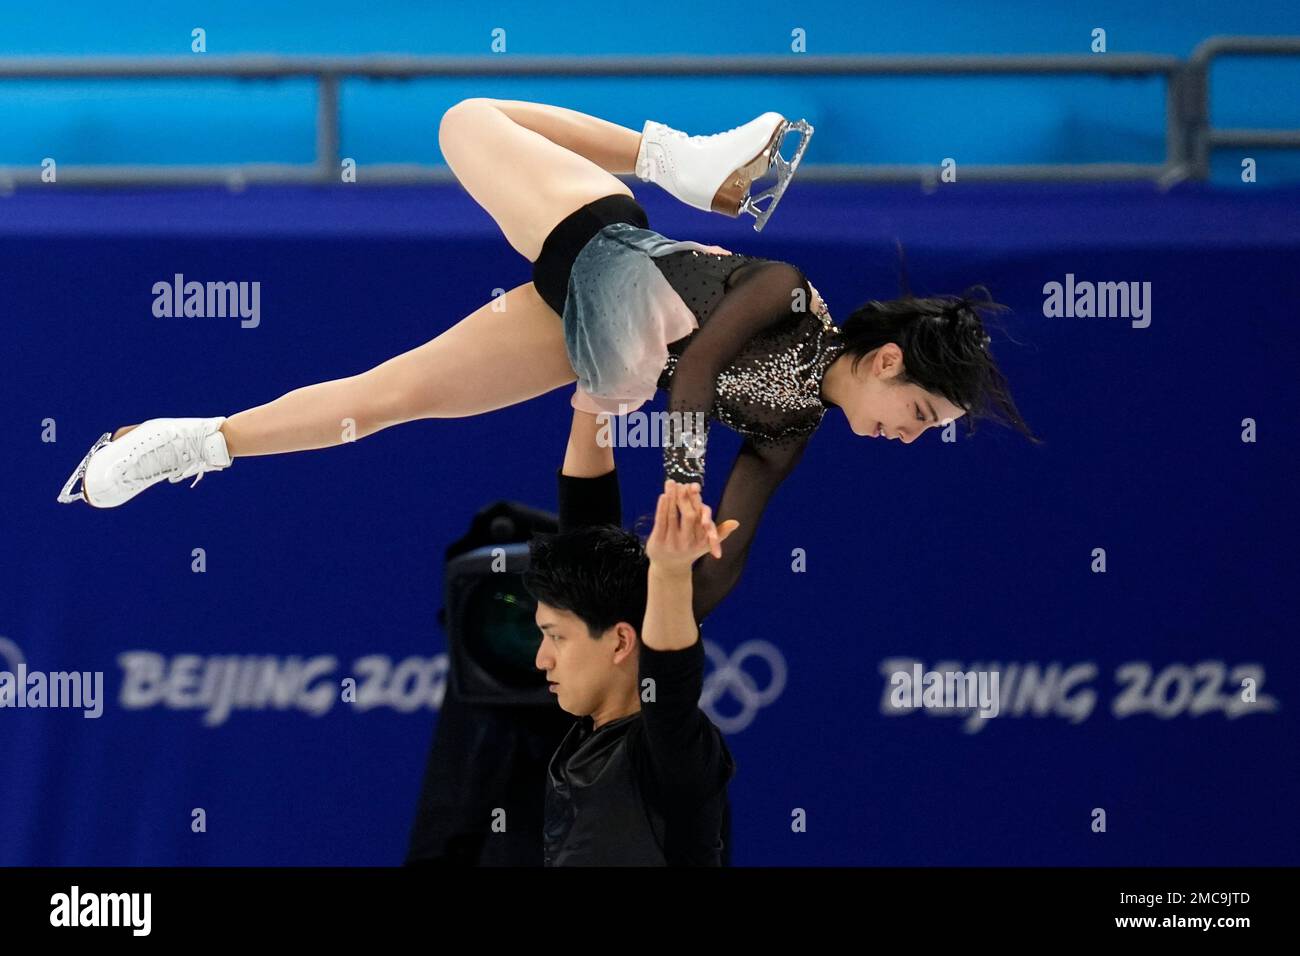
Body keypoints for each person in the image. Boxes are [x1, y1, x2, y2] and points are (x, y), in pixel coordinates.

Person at [57, 97, 1038, 620]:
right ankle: (678, 159)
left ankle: (193, 442)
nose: (908, 439)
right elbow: (695, 380)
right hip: (604, 253)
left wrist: (681, 575)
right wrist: (684, 477)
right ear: (886, 361)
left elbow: (715, 568)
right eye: (920, 416)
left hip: (595, 345)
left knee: (388, 399)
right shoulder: (786, 289)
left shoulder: (789, 432)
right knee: (465, 121)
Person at [523, 476, 737, 866]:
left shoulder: (670, 754)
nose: (541, 659)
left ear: (621, 642)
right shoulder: (586, 733)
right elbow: (585, 529)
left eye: (556, 637)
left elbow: (670, 681)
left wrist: (669, 573)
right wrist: (591, 415)